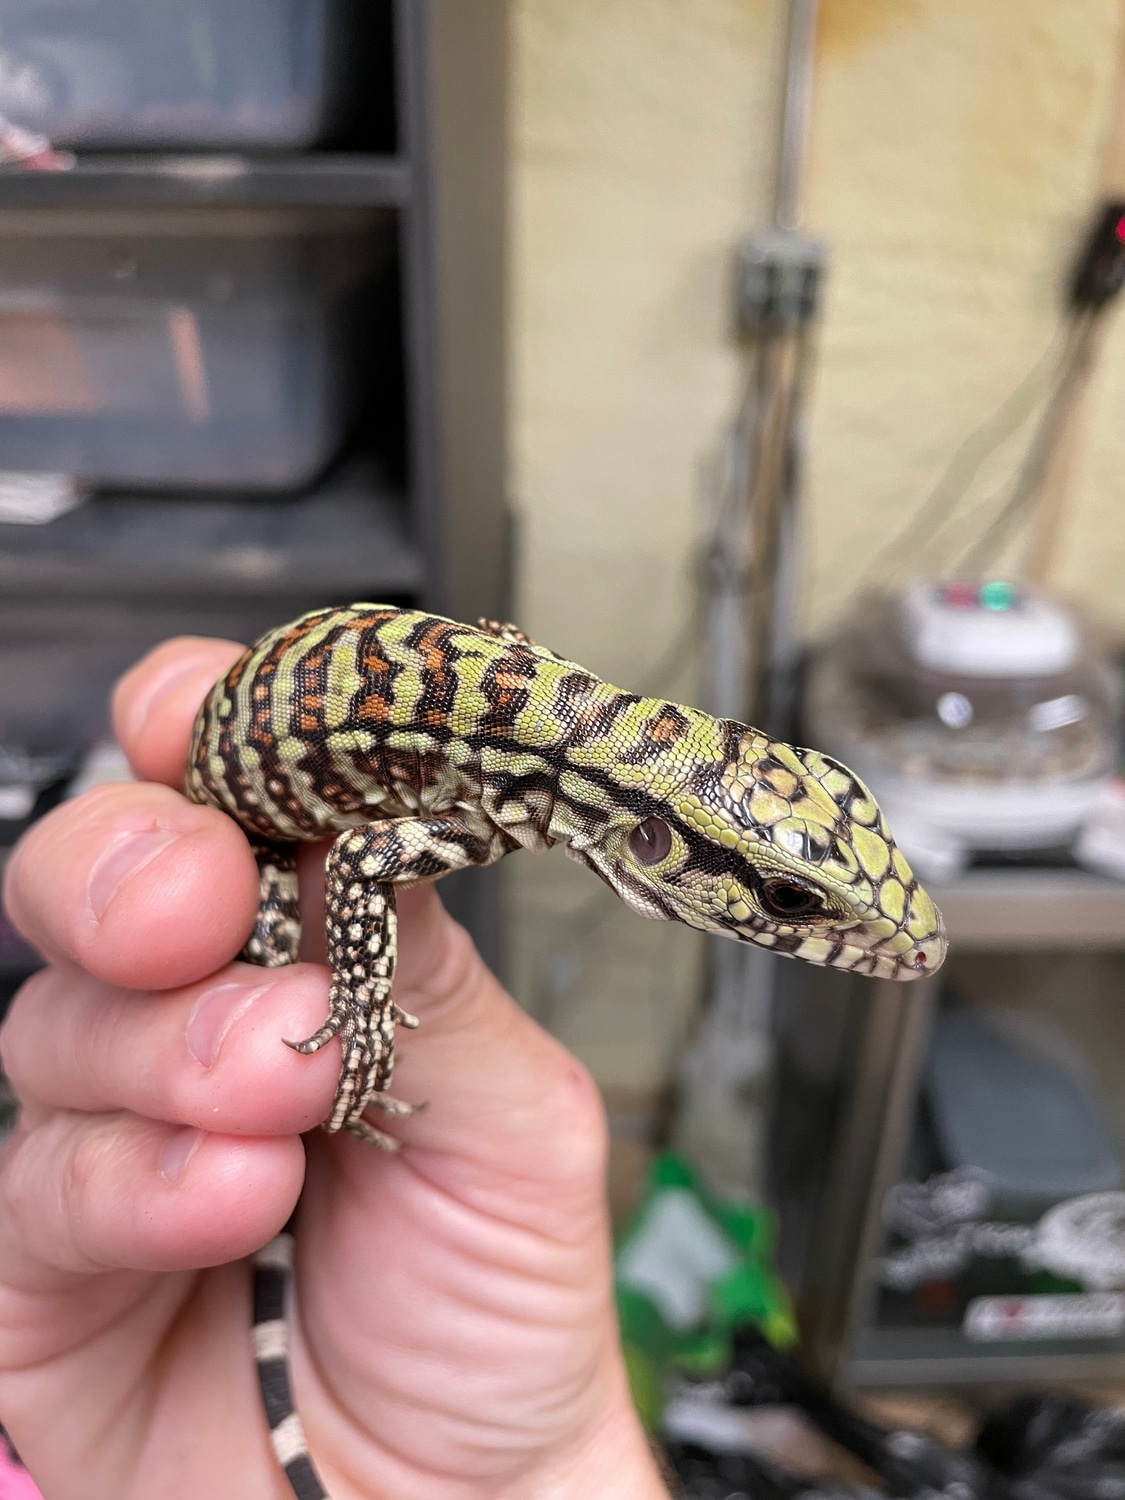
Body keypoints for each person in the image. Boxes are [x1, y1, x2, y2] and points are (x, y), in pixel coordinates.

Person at [0, 636, 673, 1500]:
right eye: (786, 902)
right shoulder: (505, 792)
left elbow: (364, 853)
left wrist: (547, 1472)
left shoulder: (552, 716)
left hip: (277, 771)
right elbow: (358, 862)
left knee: (248, 1017)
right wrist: (363, 1000)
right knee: (262, 960)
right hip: (254, 825)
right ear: (654, 838)